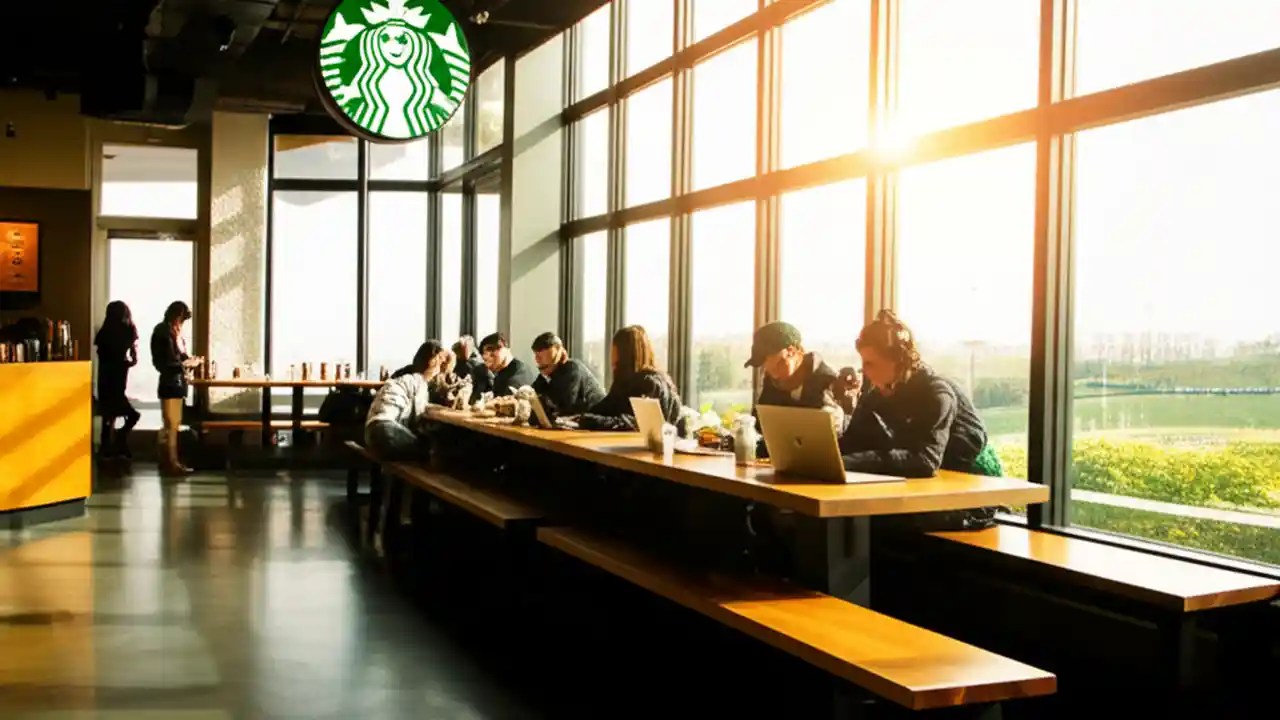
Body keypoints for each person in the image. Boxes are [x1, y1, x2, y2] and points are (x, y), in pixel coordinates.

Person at [840, 309, 1003, 529]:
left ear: (897, 361)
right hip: (933, 488)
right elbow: (850, 443)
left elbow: (924, 461)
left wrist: (849, 462)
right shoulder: (878, 396)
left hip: (974, 496)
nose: (864, 371)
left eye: (870, 363)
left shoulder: (937, 393)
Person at [744, 321, 851, 456]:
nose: (774, 375)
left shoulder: (829, 383)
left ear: (792, 351)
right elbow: (760, 427)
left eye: (778, 365)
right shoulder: (772, 382)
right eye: (767, 369)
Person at [578, 325, 681, 431]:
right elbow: (603, 409)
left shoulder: (650, 384)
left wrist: (588, 420)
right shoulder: (624, 382)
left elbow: (636, 423)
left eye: (615, 348)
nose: (612, 356)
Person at [365, 340, 449, 459]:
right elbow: (417, 418)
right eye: (440, 363)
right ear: (432, 362)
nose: (440, 369)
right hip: (386, 430)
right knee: (432, 450)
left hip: (370, 432)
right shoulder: (419, 381)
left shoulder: (404, 377)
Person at [151, 301, 202, 475]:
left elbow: (178, 356)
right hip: (170, 381)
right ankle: (171, 462)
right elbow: (167, 361)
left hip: (176, 382)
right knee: (171, 424)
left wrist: (189, 360)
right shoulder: (164, 332)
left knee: (173, 423)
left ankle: (169, 460)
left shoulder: (172, 332)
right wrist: (186, 364)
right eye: (182, 320)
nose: (182, 324)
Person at [94, 301, 142, 459]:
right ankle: (120, 440)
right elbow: (132, 354)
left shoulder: (104, 333)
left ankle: (107, 446)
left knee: (109, 416)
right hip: (119, 379)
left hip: (105, 380)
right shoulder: (126, 331)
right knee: (131, 415)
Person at [531, 331, 605, 417]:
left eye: (541, 354)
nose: (537, 359)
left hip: (598, 423)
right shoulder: (547, 375)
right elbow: (532, 395)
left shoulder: (572, 369)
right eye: (536, 355)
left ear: (558, 349)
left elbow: (564, 407)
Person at [471, 332, 537, 397]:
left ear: (503, 348)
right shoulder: (503, 373)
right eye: (485, 360)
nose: (488, 365)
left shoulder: (517, 375)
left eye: (492, 355)